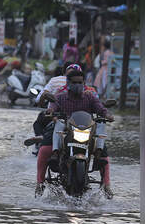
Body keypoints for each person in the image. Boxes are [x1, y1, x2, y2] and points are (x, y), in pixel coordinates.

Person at [35, 67, 115, 197]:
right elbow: (53, 107)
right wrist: (50, 112)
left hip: (86, 132)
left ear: (84, 84)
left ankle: (106, 184)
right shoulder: (60, 97)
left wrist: (108, 115)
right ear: (68, 83)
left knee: (102, 130)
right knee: (44, 149)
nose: (78, 85)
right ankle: (40, 183)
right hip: (65, 132)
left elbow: (101, 109)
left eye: (80, 83)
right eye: (75, 82)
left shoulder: (90, 98)